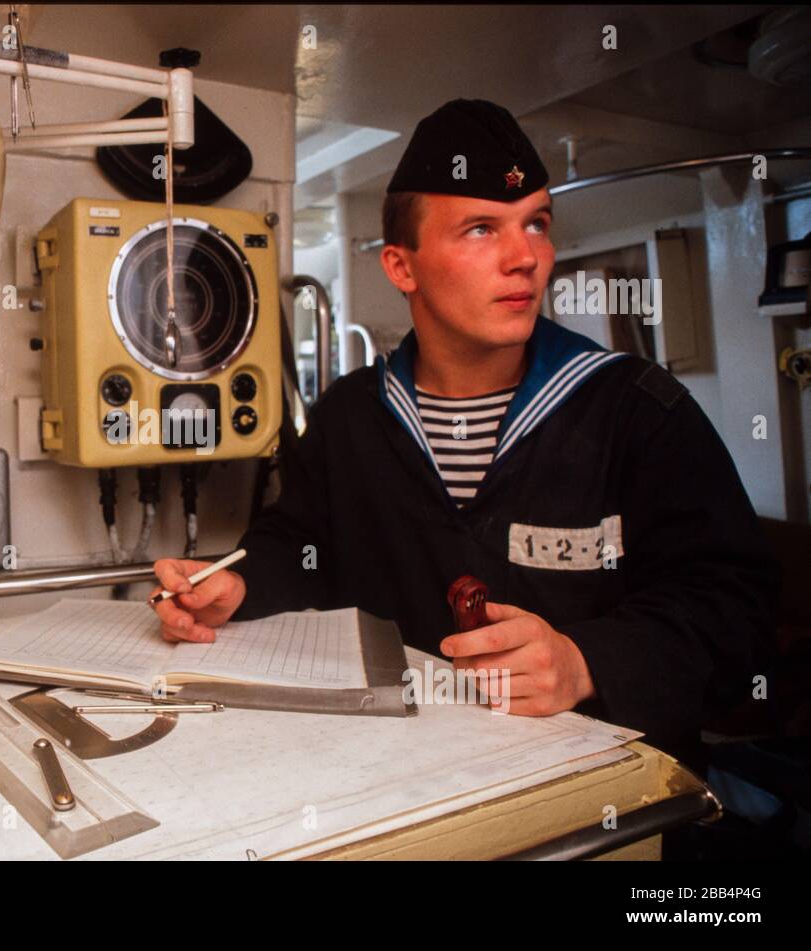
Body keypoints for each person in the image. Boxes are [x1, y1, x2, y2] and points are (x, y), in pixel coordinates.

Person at [148, 98, 778, 772]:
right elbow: (300, 545)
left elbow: (737, 611)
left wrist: (587, 661)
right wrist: (239, 584)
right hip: (403, 778)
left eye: (536, 223)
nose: (525, 257)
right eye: (481, 229)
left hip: (608, 796)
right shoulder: (350, 416)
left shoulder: (640, 411)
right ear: (402, 267)